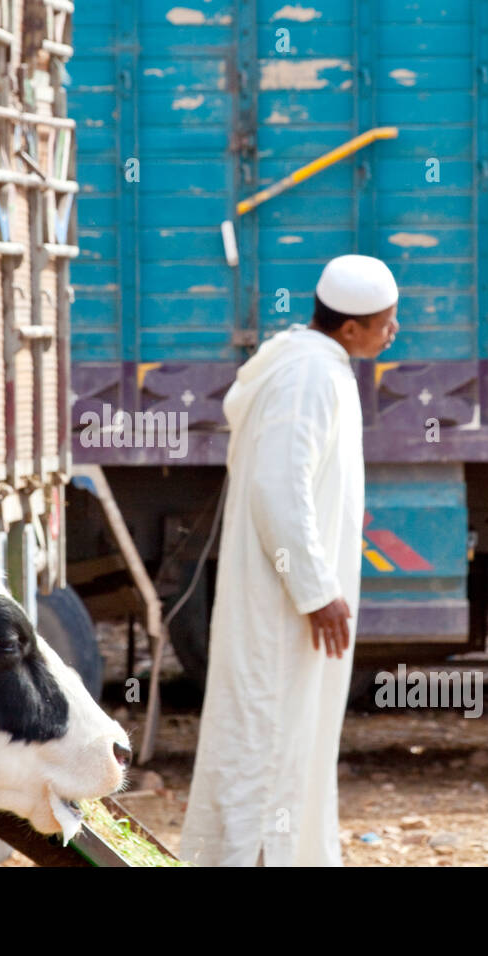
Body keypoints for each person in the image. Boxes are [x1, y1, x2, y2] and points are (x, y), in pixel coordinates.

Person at [179, 255, 400, 866]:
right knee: (268, 743)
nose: (394, 331)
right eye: (385, 321)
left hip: (278, 602)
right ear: (350, 328)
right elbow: (278, 488)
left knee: (279, 741)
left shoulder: (312, 364)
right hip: (282, 609)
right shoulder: (310, 376)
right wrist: (316, 591)